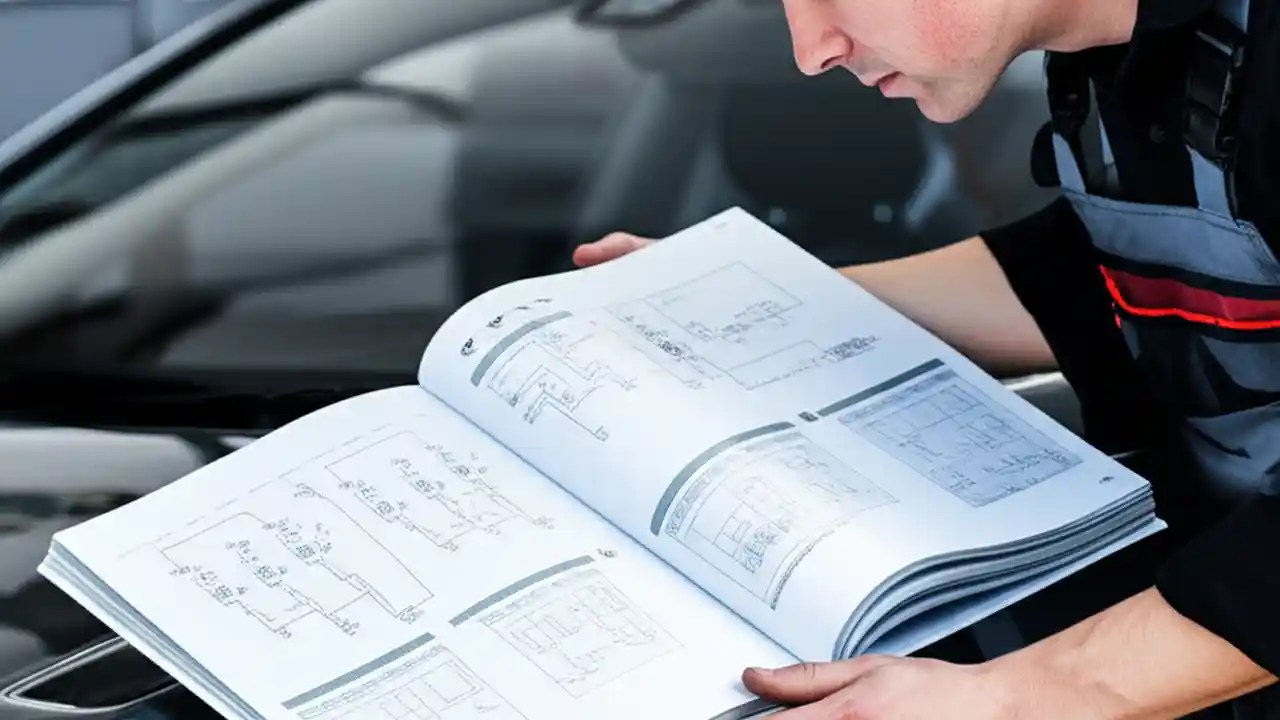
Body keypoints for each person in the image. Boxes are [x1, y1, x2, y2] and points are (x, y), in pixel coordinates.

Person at [573, 0, 1280, 717]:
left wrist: (1015, 698)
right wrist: (757, 311)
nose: (810, 50)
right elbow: (1128, 278)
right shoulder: (1122, 58)